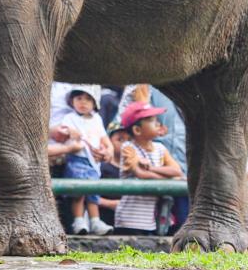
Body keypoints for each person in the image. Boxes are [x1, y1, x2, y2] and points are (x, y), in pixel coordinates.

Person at [114, 101, 183, 235]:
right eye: (152, 121)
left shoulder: (160, 148)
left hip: (151, 221)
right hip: (129, 220)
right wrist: (169, 179)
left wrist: (151, 168)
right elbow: (141, 174)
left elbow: (176, 171)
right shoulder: (128, 147)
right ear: (137, 130)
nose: (158, 123)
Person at [61, 85, 114, 235]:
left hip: (94, 162)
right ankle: (78, 220)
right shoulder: (69, 118)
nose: (83, 102)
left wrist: (108, 149)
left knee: (93, 193)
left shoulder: (97, 119)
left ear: (94, 102)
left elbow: (104, 138)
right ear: (72, 101)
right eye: (79, 98)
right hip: (77, 159)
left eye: (88, 99)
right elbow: (64, 130)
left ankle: (95, 221)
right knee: (79, 192)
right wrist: (71, 132)